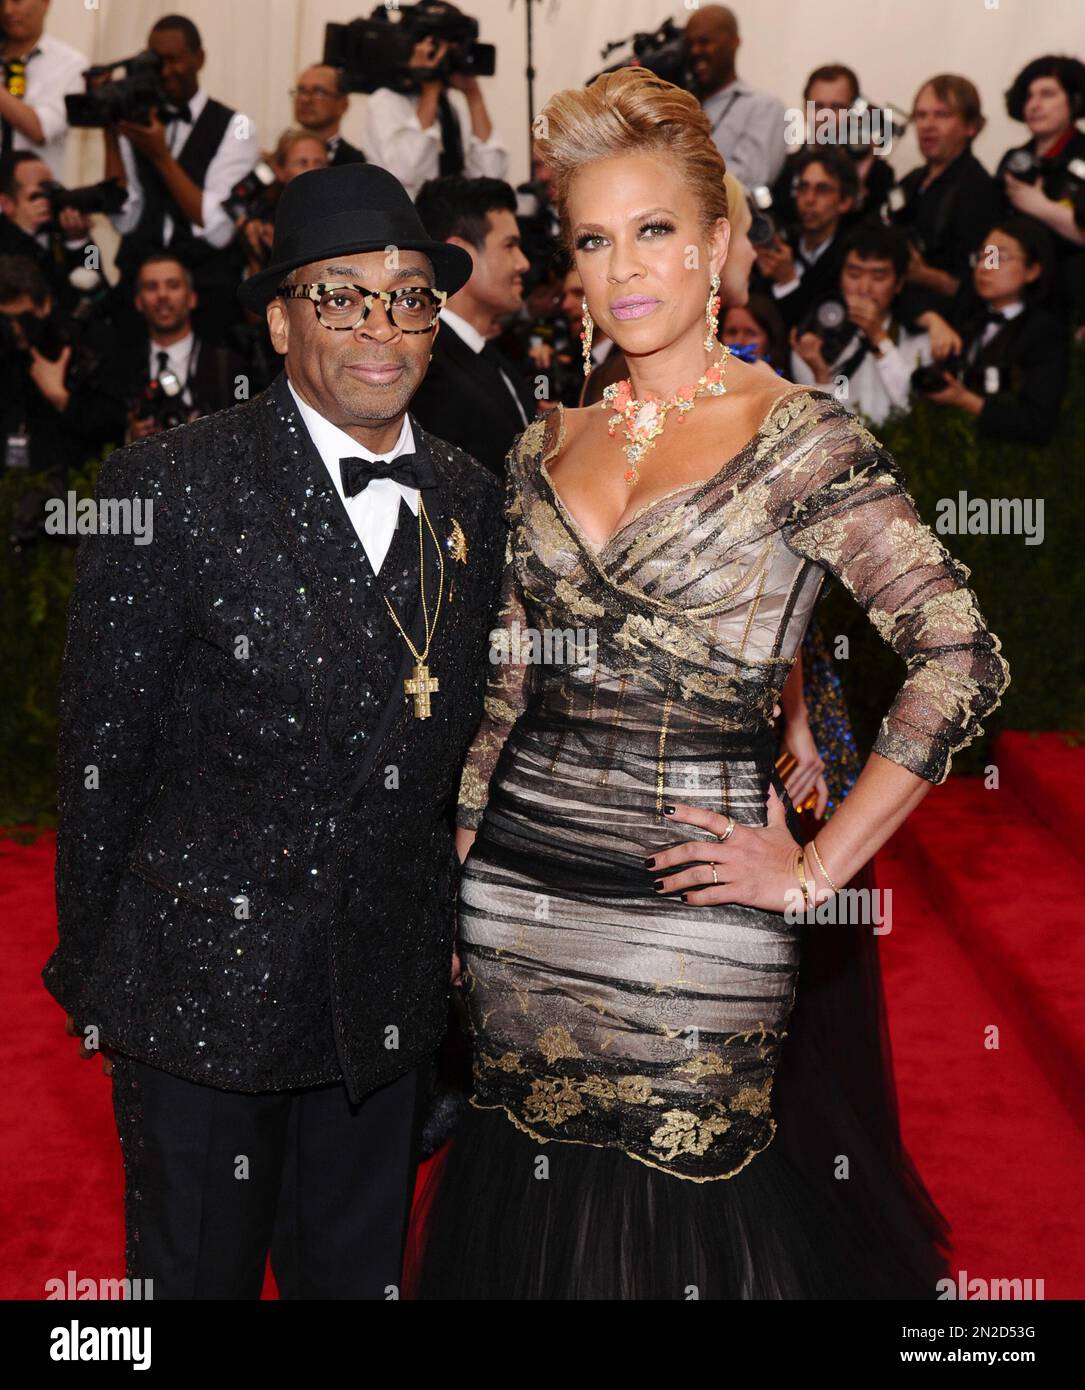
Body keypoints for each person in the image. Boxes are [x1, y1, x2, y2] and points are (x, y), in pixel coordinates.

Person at [406, 68, 1009, 1301]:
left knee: (692, 1221)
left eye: (654, 230)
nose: (621, 269)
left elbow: (956, 650)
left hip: (694, 914)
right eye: (589, 237)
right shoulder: (545, 441)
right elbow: (514, 682)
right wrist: (456, 854)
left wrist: (812, 868)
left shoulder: (801, 438)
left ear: (717, 243)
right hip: (517, 900)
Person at [42, 162, 506, 1299]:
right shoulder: (171, 485)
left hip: (381, 1009)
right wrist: (112, 979)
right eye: (340, 295)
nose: (380, 326)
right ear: (282, 317)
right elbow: (101, 759)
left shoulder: (467, 494)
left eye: (406, 295)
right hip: (201, 1005)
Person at [103, 13, 258, 344]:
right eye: (156, 61)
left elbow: (215, 227)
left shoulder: (235, 127)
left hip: (208, 295)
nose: (165, 71)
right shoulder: (139, 119)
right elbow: (125, 219)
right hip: (138, 293)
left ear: (199, 59)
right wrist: (111, 132)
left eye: (174, 60)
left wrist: (159, 155)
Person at [410, 175, 534, 477]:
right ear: (461, 254)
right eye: (510, 246)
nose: (523, 263)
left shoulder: (493, 358)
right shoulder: (426, 370)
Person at [921, 216, 1070, 446]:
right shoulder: (968, 316)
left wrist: (966, 401)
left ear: (1032, 270)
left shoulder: (1045, 333)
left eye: (997, 257)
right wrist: (933, 321)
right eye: (981, 256)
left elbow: (1038, 423)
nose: (983, 267)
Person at [790, 224, 935, 426]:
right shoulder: (814, 339)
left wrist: (878, 338)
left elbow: (910, 408)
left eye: (878, 277)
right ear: (840, 277)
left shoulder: (920, 340)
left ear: (899, 283)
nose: (864, 289)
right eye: (854, 275)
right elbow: (826, 428)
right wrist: (821, 376)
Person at [364, 2, 508, 201]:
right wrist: (429, 87)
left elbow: (490, 177)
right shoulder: (385, 101)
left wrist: (474, 97)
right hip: (404, 226)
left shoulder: (453, 108)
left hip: (452, 224)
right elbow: (405, 171)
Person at [0, 252, 123, 476]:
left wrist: (61, 398)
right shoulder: (7, 351)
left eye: (21, 318)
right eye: (6, 321)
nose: (15, 329)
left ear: (44, 303)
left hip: (76, 488)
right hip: (13, 488)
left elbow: (114, 424)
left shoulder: (86, 338)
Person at [889, 74, 1001, 312]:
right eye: (920, 115)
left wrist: (927, 276)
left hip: (951, 324)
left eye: (942, 115)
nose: (928, 125)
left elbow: (992, 268)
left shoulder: (983, 191)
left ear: (971, 127)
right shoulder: (911, 181)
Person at [996, 54, 1085, 327]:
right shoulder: (1013, 160)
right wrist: (989, 271)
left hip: (1069, 302)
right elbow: (992, 231)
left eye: (1047, 94)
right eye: (1029, 96)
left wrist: (1042, 209)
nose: (1035, 105)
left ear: (1075, 100)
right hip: (1010, 300)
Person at [119, 253, 246, 442]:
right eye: (151, 287)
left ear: (192, 298)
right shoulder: (120, 369)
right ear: (138, 302)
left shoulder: (229, 366)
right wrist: (131, 438)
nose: (162, 295)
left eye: (173, 285)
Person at [752, 147, 858, 328]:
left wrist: (787, 281)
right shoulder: (783, 242)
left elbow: (822, 326)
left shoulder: (851, 260)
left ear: (845, 202)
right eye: (803, 187)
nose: (809, 199)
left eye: (822, 189)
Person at [685, 4, 787, 190]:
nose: (695, 51)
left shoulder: (763, 106)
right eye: (689, 44)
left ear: (734, 41)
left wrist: (682, 178)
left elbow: (751, 180)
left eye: (704, 41)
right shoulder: (681, 105)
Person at [0, 0, 86, 180]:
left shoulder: (70, 64)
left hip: (34, 199)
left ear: (45, 3)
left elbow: (40, 130)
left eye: (17, 1)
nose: (7, 10)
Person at [0, 150, 94, 311]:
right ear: (7, 203)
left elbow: (95, 279)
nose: (48, 199)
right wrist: (25, 231)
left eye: (51, 189)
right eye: (37, 194)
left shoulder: (59, 231)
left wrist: (82, 242)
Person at [291, 63, 366, 166]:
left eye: (319, 92)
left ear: (343, 104)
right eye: (302, 91)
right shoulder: (280, 158)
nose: (306, 99)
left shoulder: (358, 163)